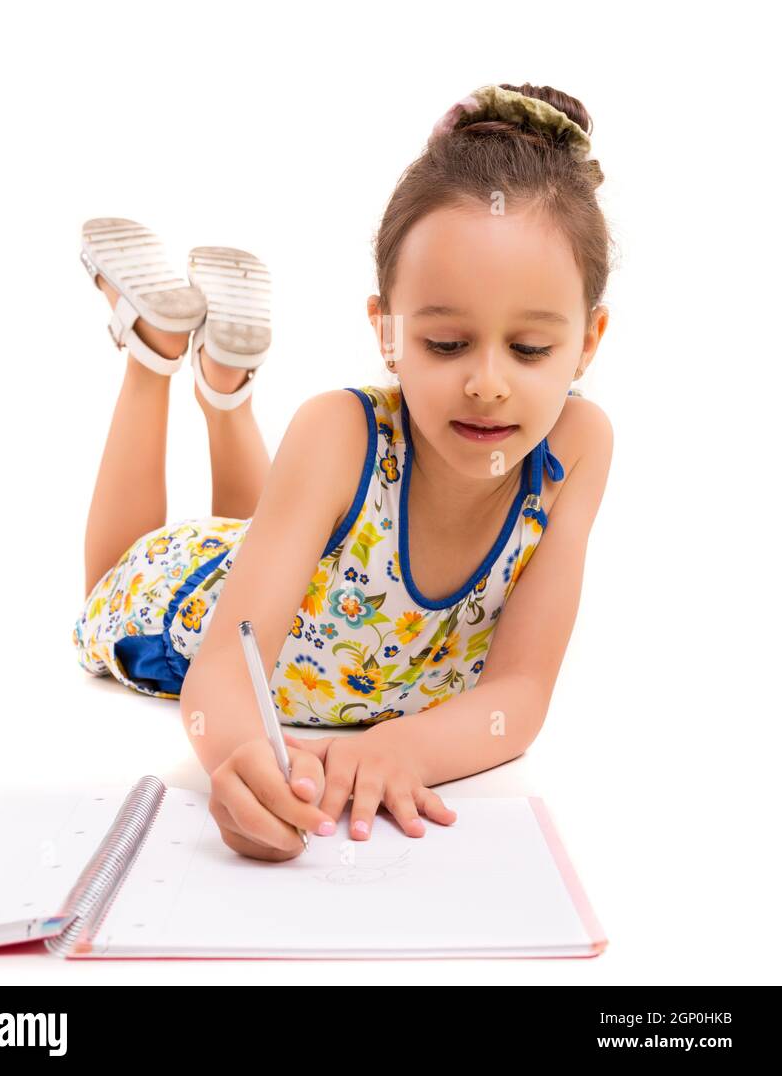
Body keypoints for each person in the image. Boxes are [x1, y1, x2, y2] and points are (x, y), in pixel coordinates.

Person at [73, 81, 615, 862]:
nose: (489, 383)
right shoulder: (338, 430)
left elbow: (520, 696)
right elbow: (226, 668)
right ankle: (154, 352)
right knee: (108, 580)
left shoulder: (577, 449)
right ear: (387, 335)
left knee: (271, 529)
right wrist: (238, 754)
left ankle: (225, 385)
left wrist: (405, 749)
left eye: (530, 350)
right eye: (446, 344)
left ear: (588, 342)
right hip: (186, 595)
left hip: (292, 566)